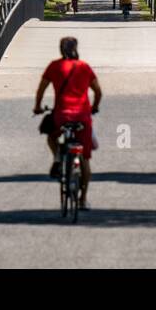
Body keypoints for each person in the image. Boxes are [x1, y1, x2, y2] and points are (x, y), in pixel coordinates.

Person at [33, 36, 101, 208]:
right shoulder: (84, 67)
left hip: (61, 115)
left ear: (60, 49)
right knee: (84, 158)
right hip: (82, 117)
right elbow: (98, 91)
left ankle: (57, 158)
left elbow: (41, 89)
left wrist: (38, 107)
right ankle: (83, 200)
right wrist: (94, 107)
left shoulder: (55, 66)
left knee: (51, 137)